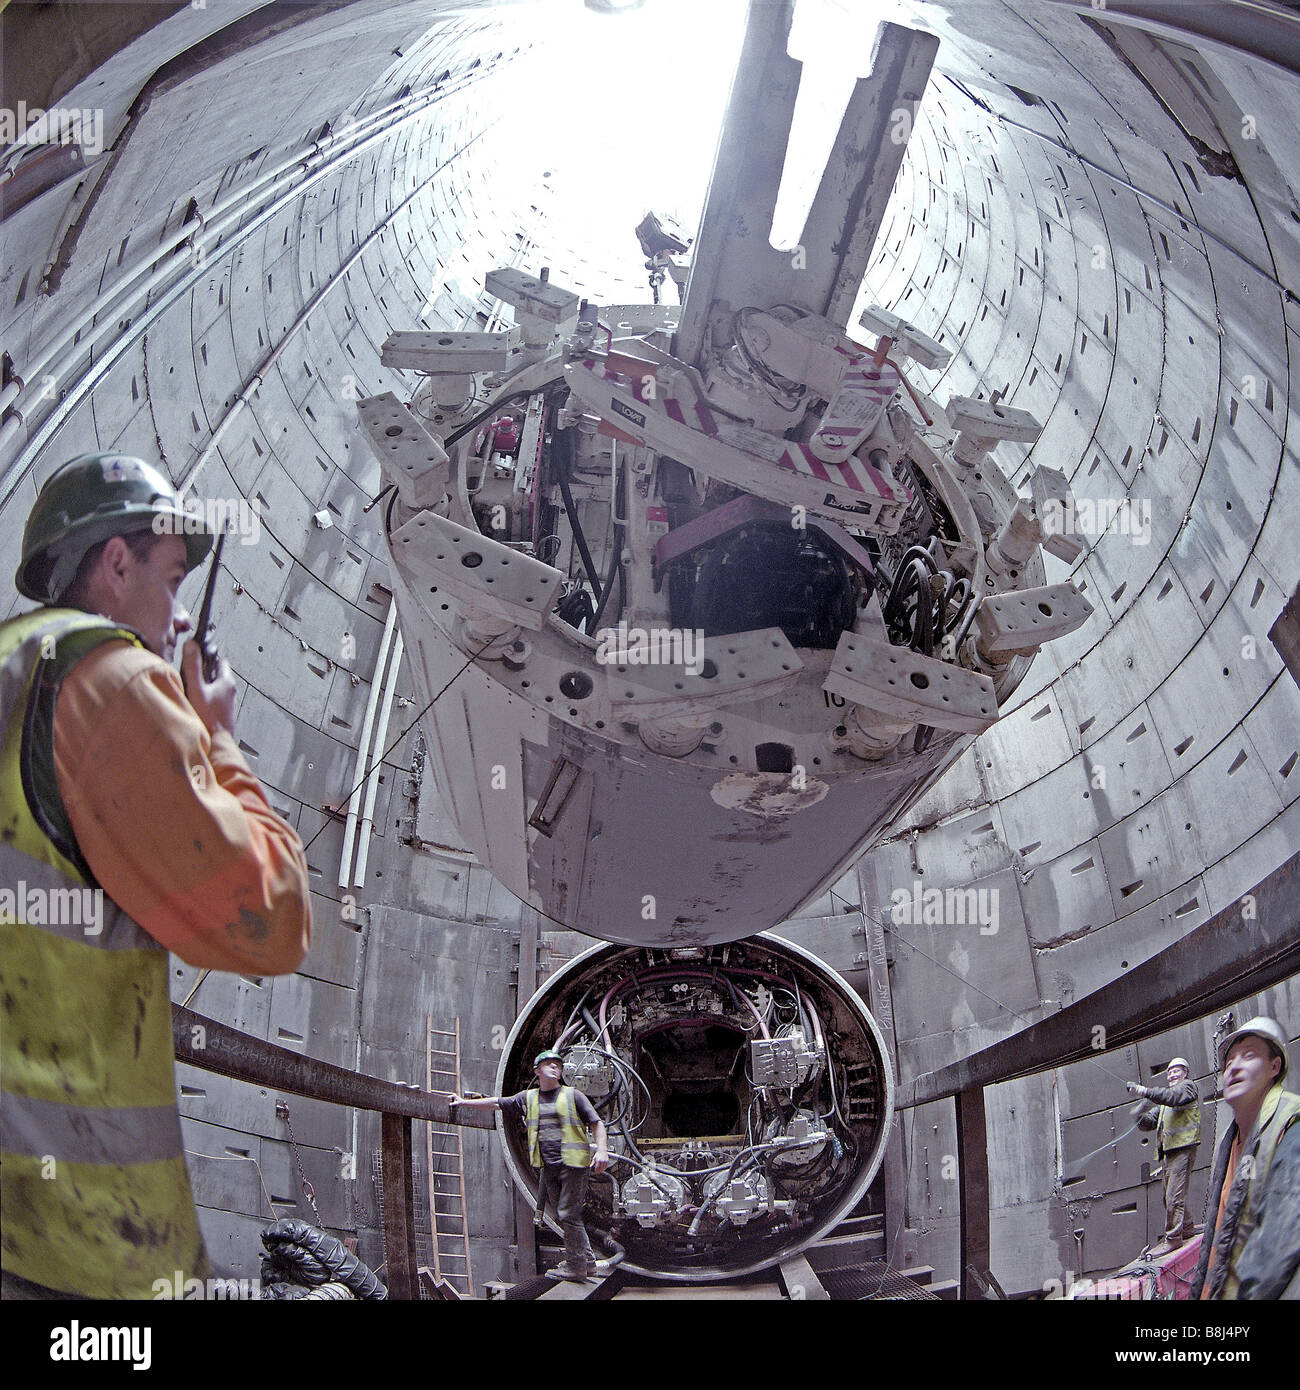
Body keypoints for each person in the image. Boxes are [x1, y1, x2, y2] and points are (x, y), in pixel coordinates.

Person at [1, 453, 312, 1299]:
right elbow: (270, 922)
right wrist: (213, 735)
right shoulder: (108, 680)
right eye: (171, 579)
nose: (177, 614)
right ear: (114, 565)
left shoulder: (12, 665)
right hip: (76, 1238)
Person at [453, 1048, 611, 1280]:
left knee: (568, 1213)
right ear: (537, 1070)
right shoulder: (528, 1098)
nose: (555, 1066)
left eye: (558, 1064)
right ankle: (586, 1261)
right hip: (549, 1168)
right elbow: (498, 1103)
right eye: (549, 1063)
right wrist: (464, 1103)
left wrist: (602, 1150)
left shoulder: (573, 1095)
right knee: (565, 1215)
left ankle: (576, 1266)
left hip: (573, 1165)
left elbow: (597, 1123)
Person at [1188, 1016, 1300, 1300]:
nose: (1233, 1066)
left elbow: (1279, 1247)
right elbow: (1218, 1241)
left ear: (1275, 1067)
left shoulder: (1292, 1125)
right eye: (1228, 1062)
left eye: (1248, 1055)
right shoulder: (1230, 1140)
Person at [1126, 1057, 1200, 1253]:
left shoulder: (1188, 1088)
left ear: (1185, 1073)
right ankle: (1187, 1227)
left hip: (1183, 1148)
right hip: (1169, 1151)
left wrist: (1145, 1091)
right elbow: (1149, 1122)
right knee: (1169, 1197)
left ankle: (1174, 1238)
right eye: (1170, 1072)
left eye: (1177, 1071)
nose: (1172, 1074)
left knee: (1174, 1196)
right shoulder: (1166, 1103)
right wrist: (1138, 1116)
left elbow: (1172, 1097)